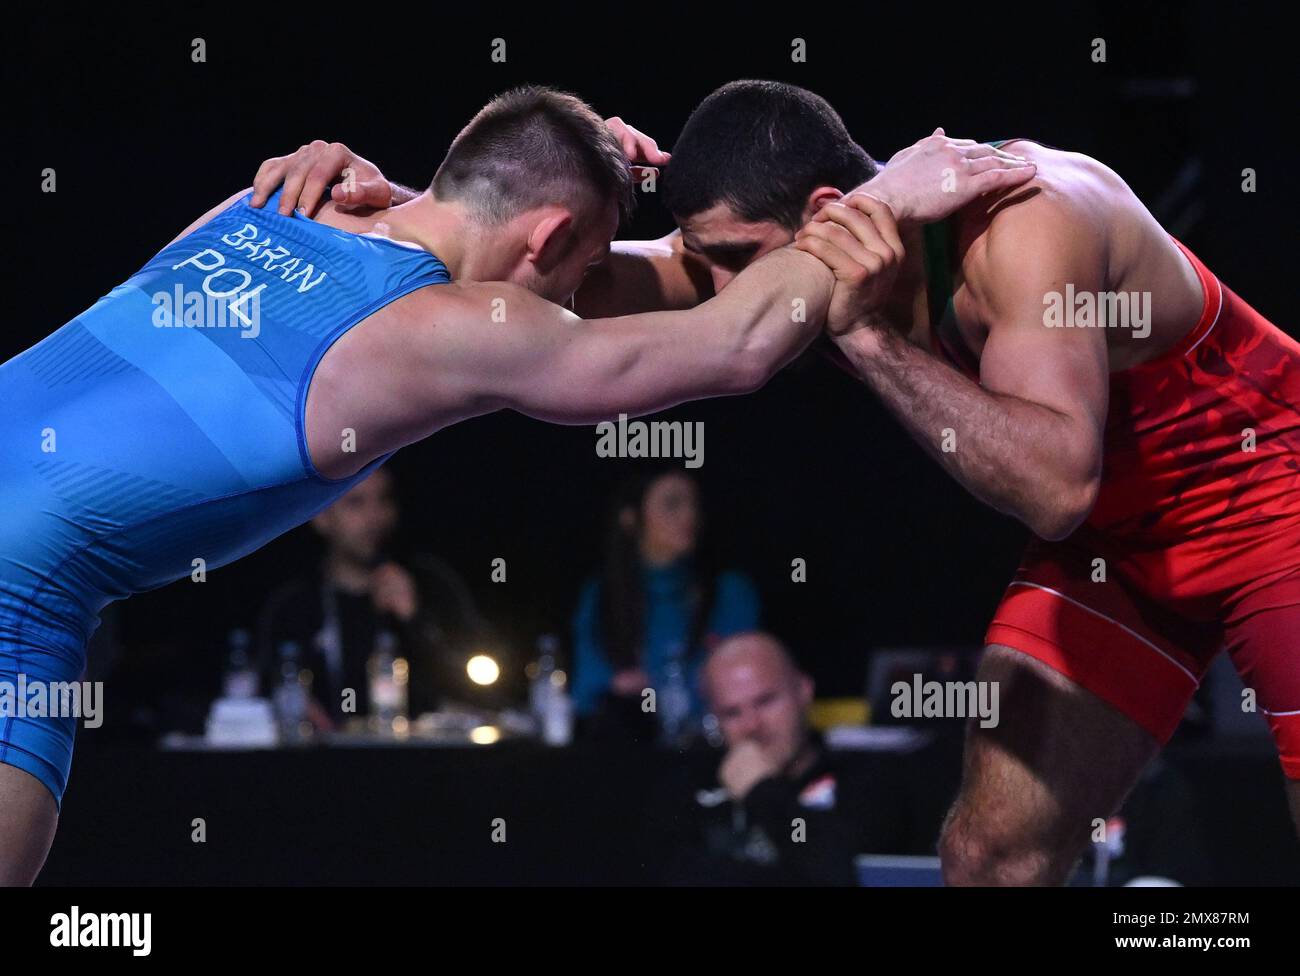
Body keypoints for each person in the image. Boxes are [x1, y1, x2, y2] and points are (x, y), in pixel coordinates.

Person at [274, 78, 1300, 883]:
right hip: (1118, 552)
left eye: (730, 261)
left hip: (1273, 500)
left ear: (822, 210)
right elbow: (543, 279)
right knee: (990, 859)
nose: (727, 296)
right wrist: (412, 203)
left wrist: (864, 339)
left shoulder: (1026, 222)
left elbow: (1052, 484)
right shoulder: (804, 238)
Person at [0, 84, 985, 883]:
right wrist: (877, 205)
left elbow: (503, 198)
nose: (576, 300)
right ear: (548, 239)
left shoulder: (275, 203)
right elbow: (736, 346)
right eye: (584, 269)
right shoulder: (452, 331)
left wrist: (576, 156)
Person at [661, 631, 907, 884]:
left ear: (803, 690)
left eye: (766, 701)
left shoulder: (863, 779)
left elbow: (840, 873)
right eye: (732, 712)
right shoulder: (695, 791)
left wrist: (761, 790)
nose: (752, 725)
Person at [256, 466, 486, 725]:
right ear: (321, 517)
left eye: (384, 499)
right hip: (324, 759)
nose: (375, 516)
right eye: (356, 503)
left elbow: (482, 687)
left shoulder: (430, 582)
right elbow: (262, 691)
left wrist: (415, 620)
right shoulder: (293, 604)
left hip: (421, 757)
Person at [571, 467, 758, 740]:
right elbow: (585, 691)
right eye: (672, 504)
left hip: (713, 747)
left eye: (694, 504)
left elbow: (744, 683)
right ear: (631, 518)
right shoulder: (602, 594)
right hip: (631, 753)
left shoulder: (730, 592)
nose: (689, 515)